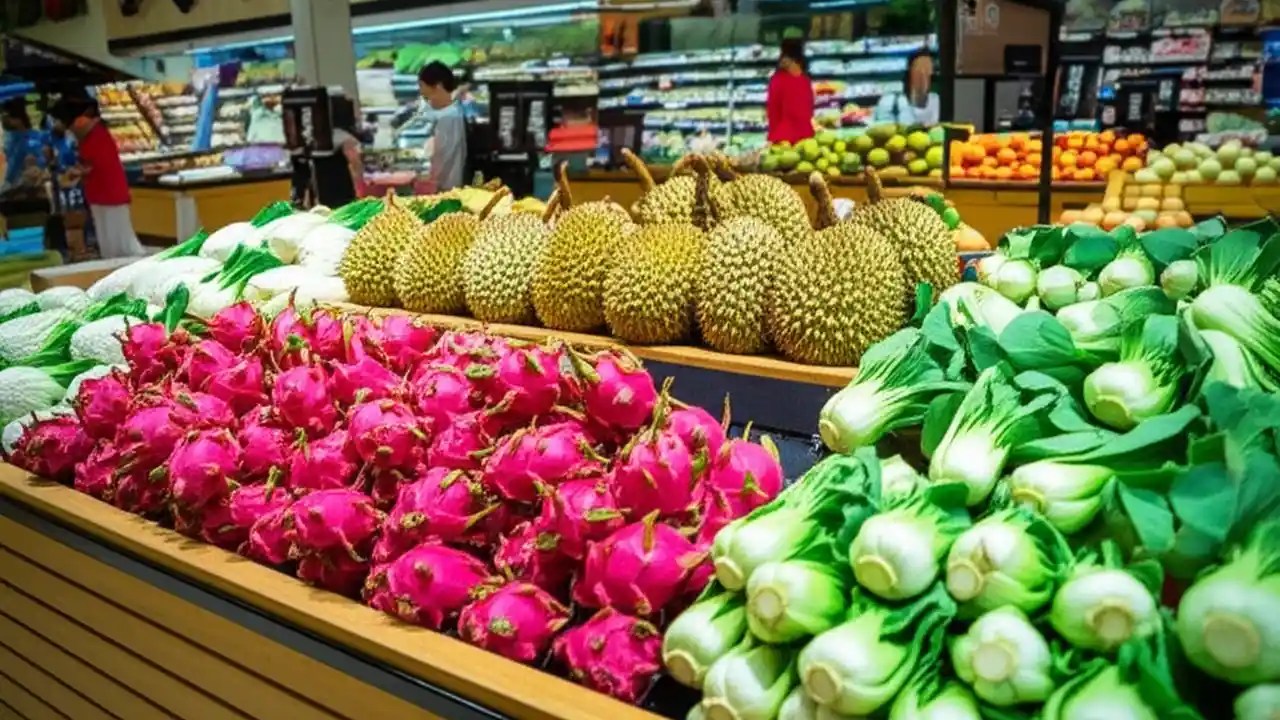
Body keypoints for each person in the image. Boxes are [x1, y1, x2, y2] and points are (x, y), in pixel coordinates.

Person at [70, 102, 145, 258]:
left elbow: (96, 164)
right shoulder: (91, 136)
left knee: (119, 236)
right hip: (100, 193)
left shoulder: (98, 136)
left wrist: (79, 172)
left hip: (110, 193)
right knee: (108, 237)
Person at [418, 61, 466, 192]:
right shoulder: (449, 113)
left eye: (423, 86)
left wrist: (428, 181)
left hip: (447, 188)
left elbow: (443, 159)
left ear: (438, 87)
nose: (421, 91)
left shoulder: (449, 118)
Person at [765, 38, 815, 145]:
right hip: (805, 138)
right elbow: (808, 111)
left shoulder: (778, 80)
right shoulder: (805, 80)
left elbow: (772, 112)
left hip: (782, 137)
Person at [873, 49, 940, 127]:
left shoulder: (936, 101)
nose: (923, 75)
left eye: (927, 71)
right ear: (909, 73)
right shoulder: (889, 102)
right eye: (919, 70)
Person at [2, 98, 45, 189]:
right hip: (14, 183)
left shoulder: (34, 138)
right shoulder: (10, 138)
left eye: (9, 117)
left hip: (32, 183)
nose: (6, 119)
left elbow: (42, 160)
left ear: (19, 119)